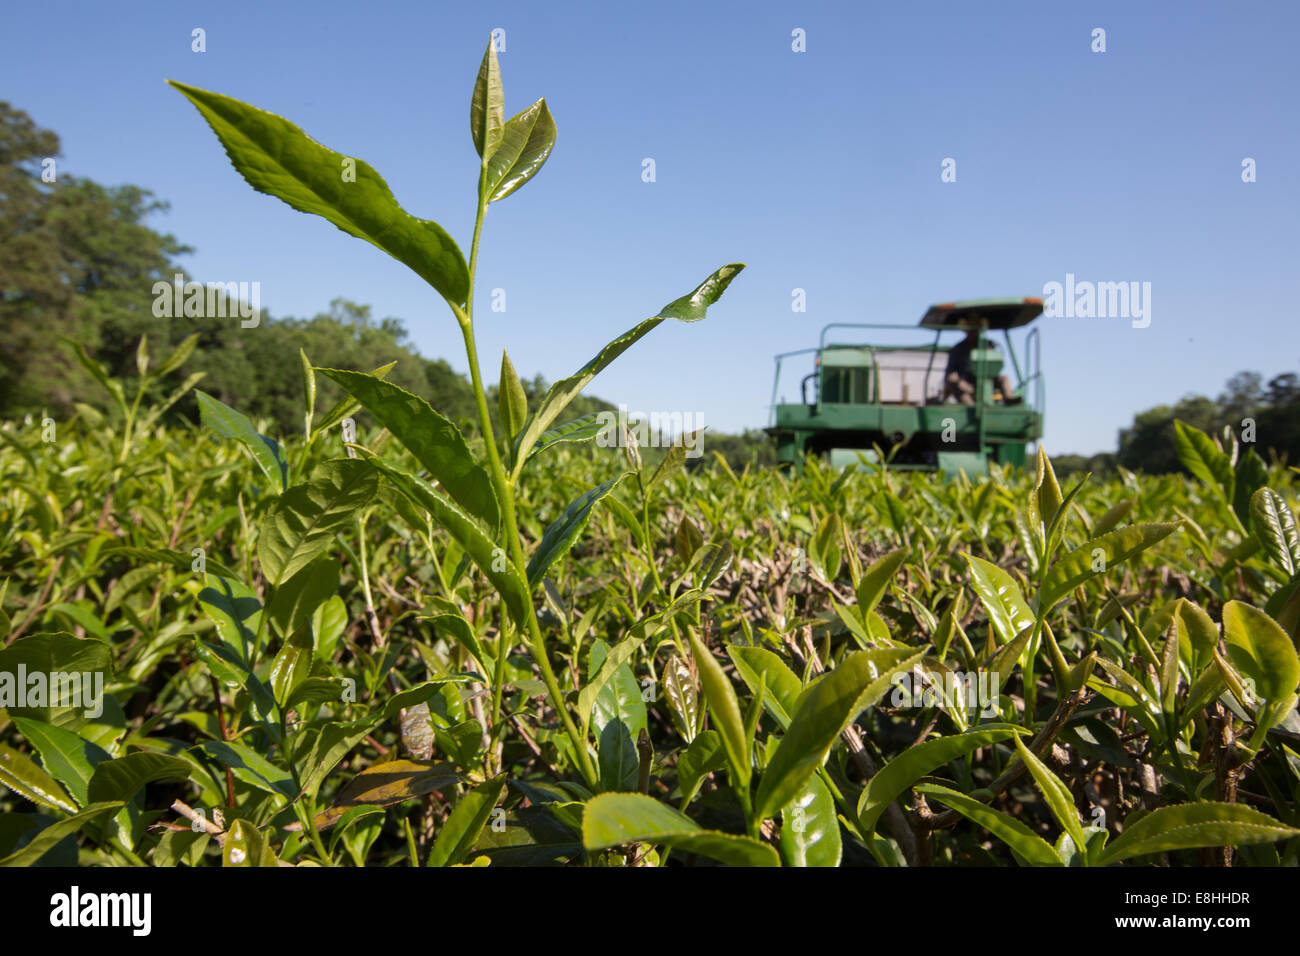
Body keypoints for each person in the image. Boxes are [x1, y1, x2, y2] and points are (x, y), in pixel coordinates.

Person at [943, 329, 1020, 404]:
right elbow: (950, 374)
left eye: (976, 330)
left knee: (1004, 379)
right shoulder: (957, 349)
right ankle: (970, 406)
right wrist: (960, 382)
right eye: (971, 330)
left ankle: (1009, 398)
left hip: (988, 380)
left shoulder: (988, 344)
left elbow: (994, 366)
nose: (974, 333)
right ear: (966, 331)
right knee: (958, 387)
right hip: (967, 382)